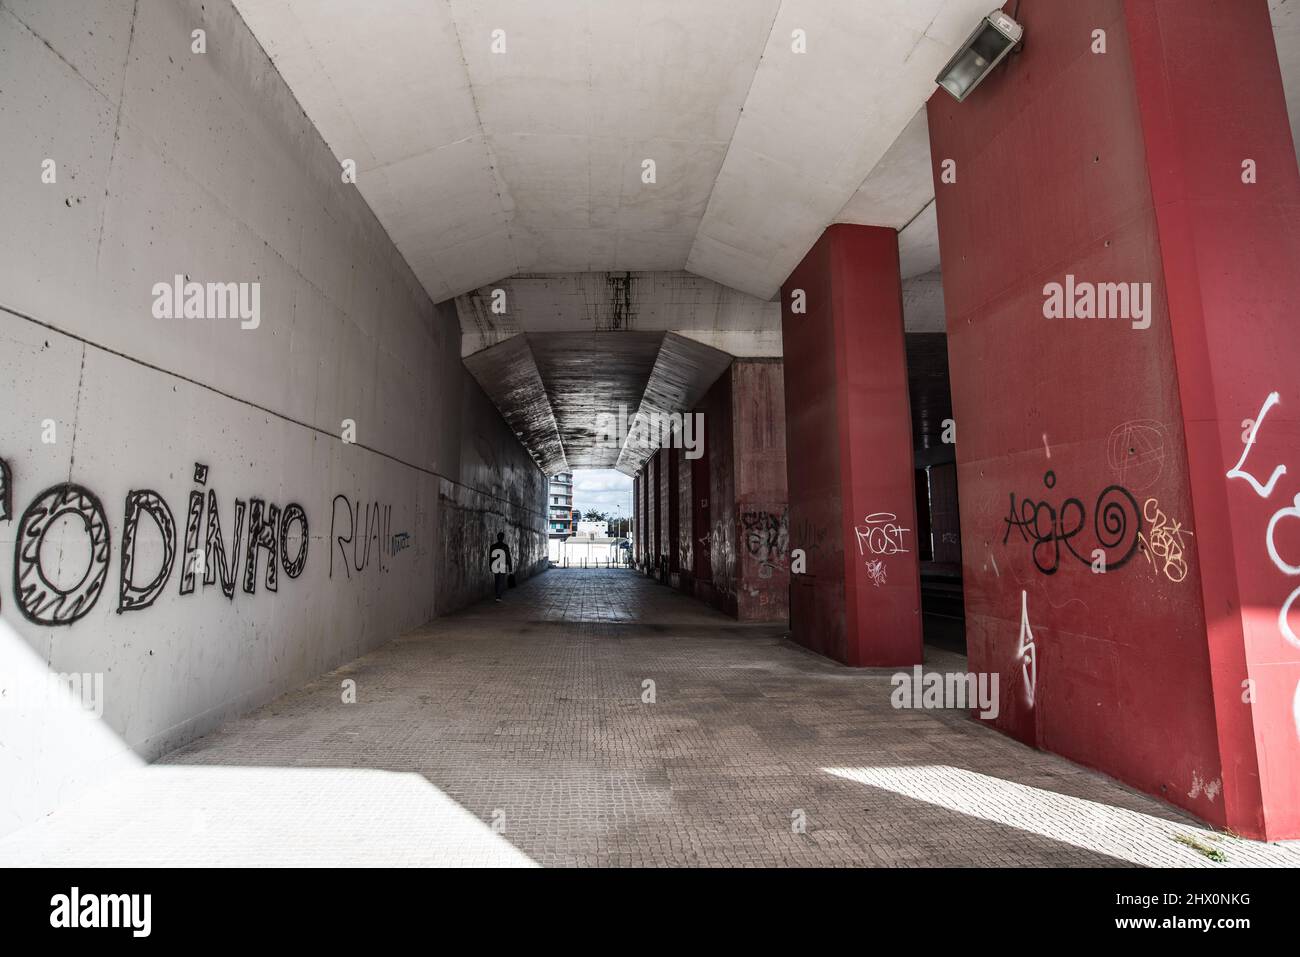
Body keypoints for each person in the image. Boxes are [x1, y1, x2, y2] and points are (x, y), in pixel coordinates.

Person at [489, 532, 513, 602]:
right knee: (501, 581)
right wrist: (510, 567)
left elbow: (490, 557)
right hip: (502, 564)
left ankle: (497, 594)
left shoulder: (492, 546)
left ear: (497, 537)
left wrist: (490, 566)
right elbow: (508, 557)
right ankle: (498, 596)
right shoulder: (505, 546)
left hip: (495, 565)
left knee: (496, 580)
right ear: (503, 538)